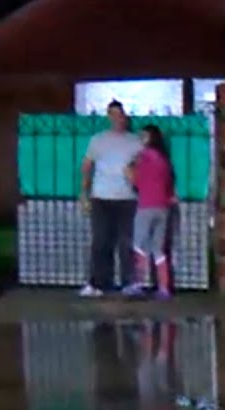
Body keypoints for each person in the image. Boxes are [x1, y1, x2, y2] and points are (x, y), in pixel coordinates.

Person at [79, 100, 144, 298]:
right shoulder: (97, 140)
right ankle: (98, 283)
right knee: (100, 241)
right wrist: (84, 193)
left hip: (128, 198)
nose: (118, 118)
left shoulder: (135, 141)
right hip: (101, 197)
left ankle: (129, 282)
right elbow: (87, 166)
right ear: (108, 116)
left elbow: (144, 168)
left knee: (127, 242)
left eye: (120, 114)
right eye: (113, 114)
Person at [123, 124, 176, 299]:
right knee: (158, 249)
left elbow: (136, 180)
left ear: (149, 138)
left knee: (139, 245)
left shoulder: (143, 157)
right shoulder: (164, 159)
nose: (140, 139)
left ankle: (138, 284)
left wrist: (129, 173)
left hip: (146, 205)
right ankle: (164, 288)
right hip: (163, 207)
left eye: (143, 136)